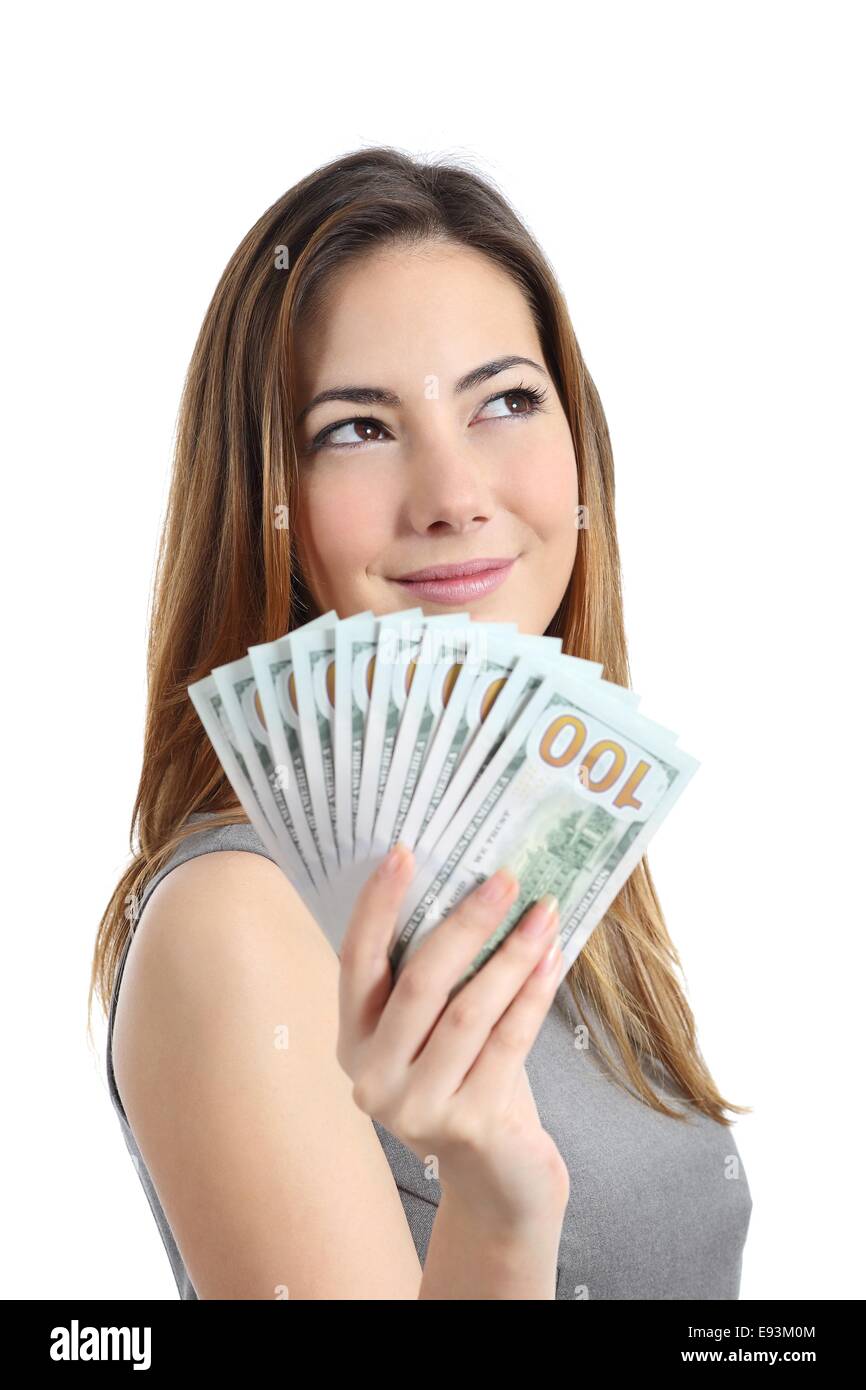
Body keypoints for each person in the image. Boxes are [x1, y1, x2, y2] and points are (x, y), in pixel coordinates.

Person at [90, 145, 753, 1300]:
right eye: (358, 426)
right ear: (267, 499)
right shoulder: (240, 926)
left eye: (504, 400)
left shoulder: (544, 860)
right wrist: (497, 1207)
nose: (452, 494)